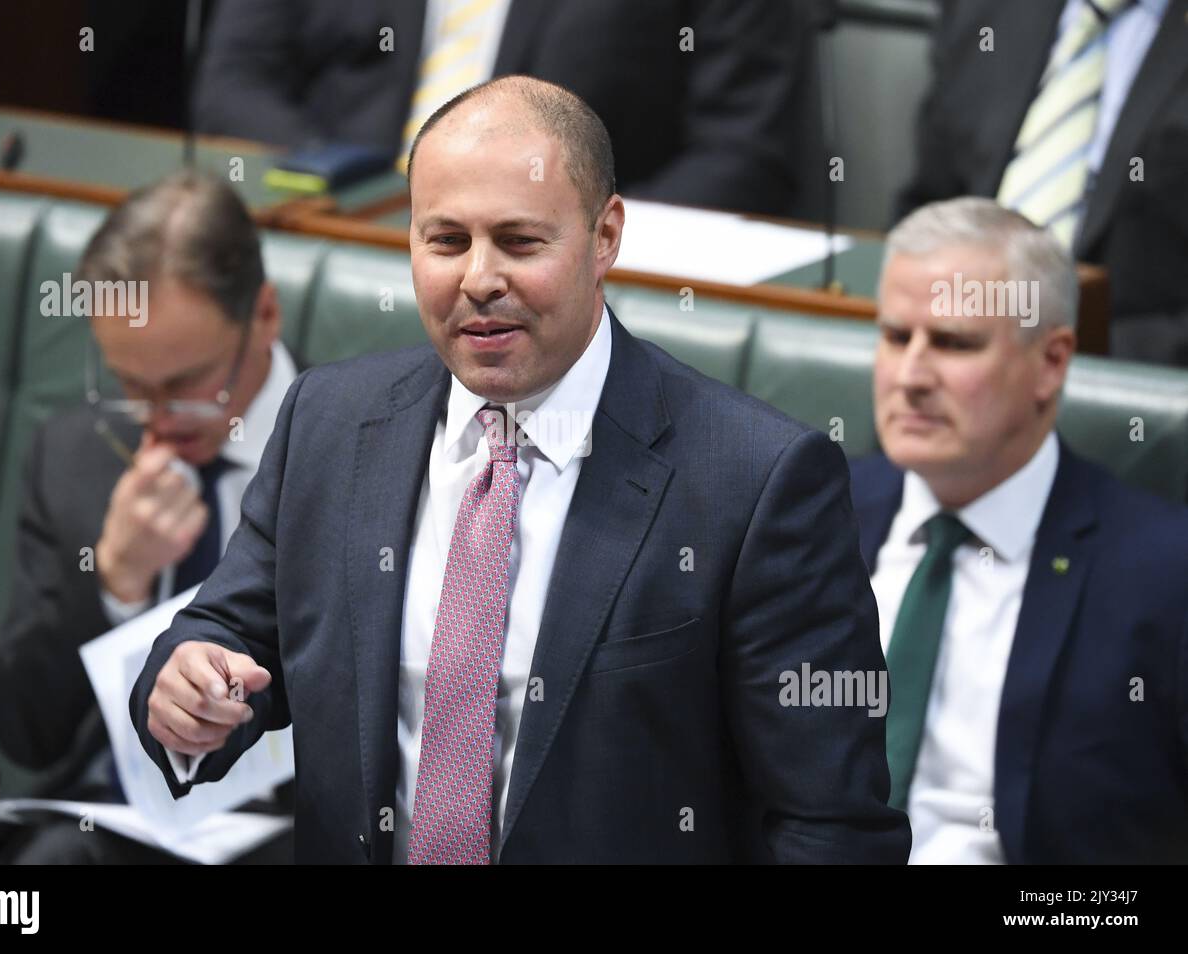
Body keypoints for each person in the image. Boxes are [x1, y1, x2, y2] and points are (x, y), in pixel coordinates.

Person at [130, 76, 910, 864]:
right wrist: (187, 685)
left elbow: (831, 827)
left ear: (605, 237)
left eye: (519, 241)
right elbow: (225, 632)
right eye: (445, 240)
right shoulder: (328, 425)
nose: (478, 279)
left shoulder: (756, 480)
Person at [853, 196, 1188, 863]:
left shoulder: (1162, 573)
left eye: (953, 343)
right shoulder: (809, 511)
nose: (911, 376)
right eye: (896, 336)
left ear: (1052, 361)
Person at [0, 172, 298, 863]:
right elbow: (25, 733)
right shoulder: (72, 455)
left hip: (289, 833)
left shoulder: (356, 446)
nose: (157, 416)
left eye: (187, 383)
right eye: (131, 384)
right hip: (102, 831)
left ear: (265, 314)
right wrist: (113, 581)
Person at [193, 0, 804, 214]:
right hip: (335, 227)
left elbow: (743, 157)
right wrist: (342, 193)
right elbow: (233, 84)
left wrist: (578, 244)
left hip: (565, 273)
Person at [898, 0, 1188, 366]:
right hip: (947, 352)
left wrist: (1044, 358)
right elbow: (928, 208)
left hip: (1123, 376)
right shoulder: (986, 11)